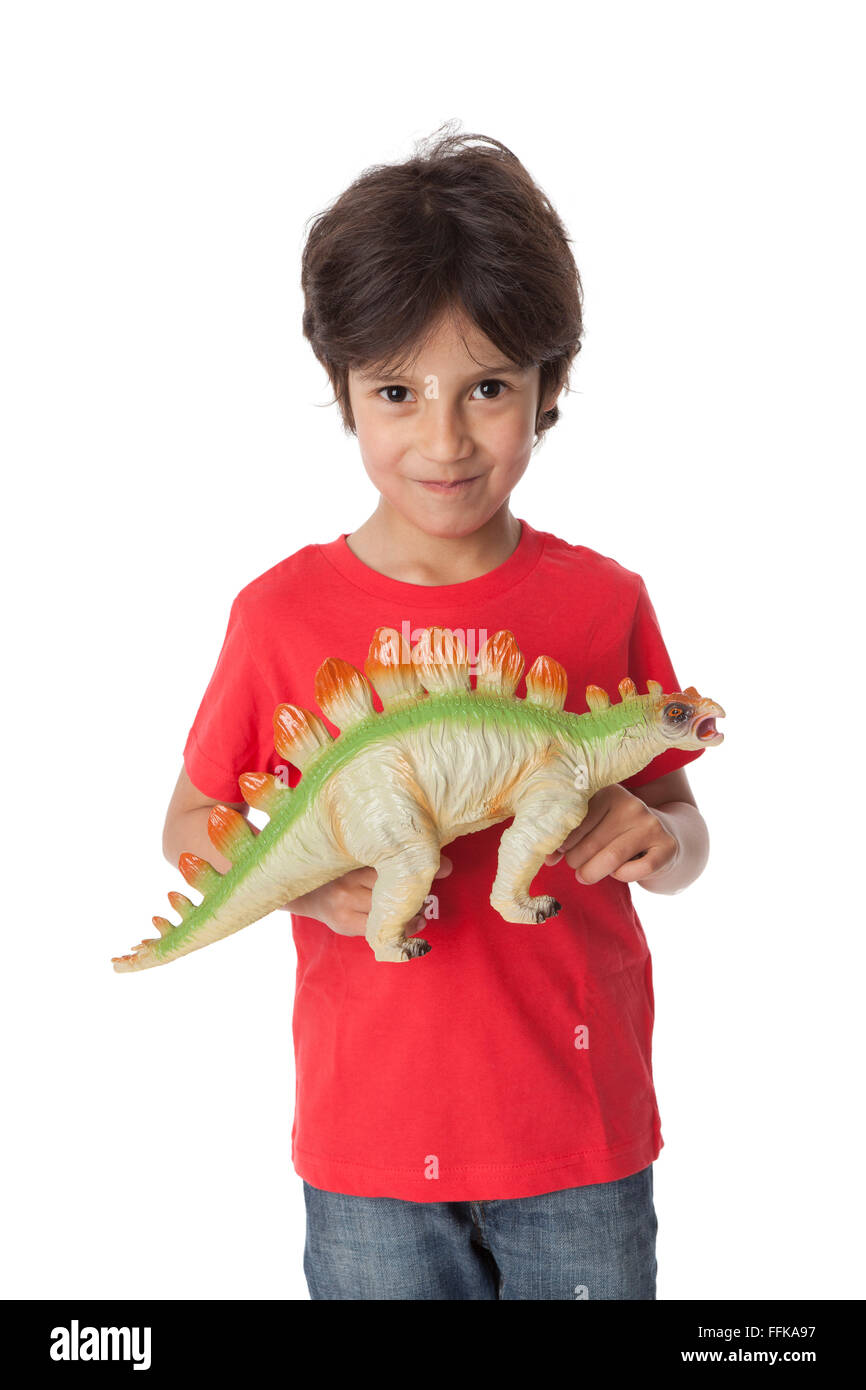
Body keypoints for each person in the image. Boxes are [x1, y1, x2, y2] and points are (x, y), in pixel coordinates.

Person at [162, 126, 711, 1300]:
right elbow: (194, 817)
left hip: (577, 1127)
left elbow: (676, 820)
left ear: (548, 388)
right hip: (368, 1145)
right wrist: (305, 879)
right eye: (397, 392)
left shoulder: (600, 600)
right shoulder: (279, 613)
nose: (444, 439)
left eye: (489, 389)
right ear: (344, 391)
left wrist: (661, 843)